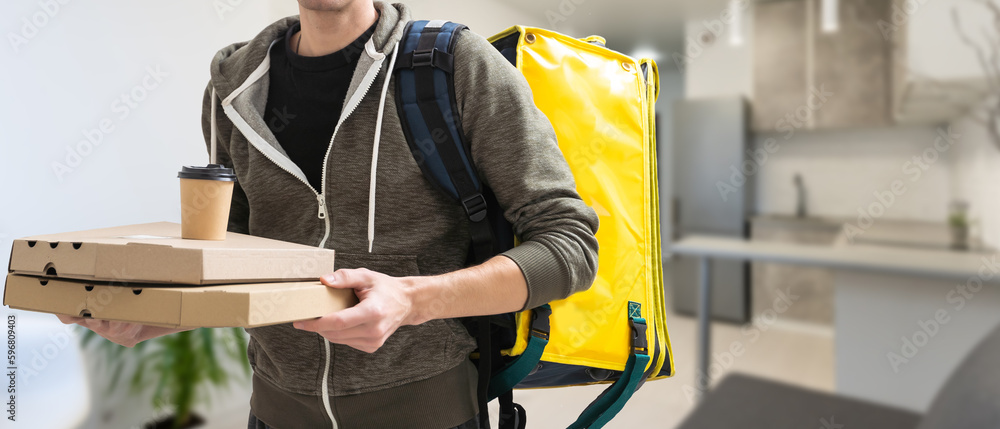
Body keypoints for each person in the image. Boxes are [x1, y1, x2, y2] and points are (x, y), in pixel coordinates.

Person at [59, 1, 599, 428]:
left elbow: (569, 247)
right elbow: (238, 258)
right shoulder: (233, 90)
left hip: (427, 408)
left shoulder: (454, 65)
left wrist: (411, 301)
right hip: (275, 410)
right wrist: (155, 316)